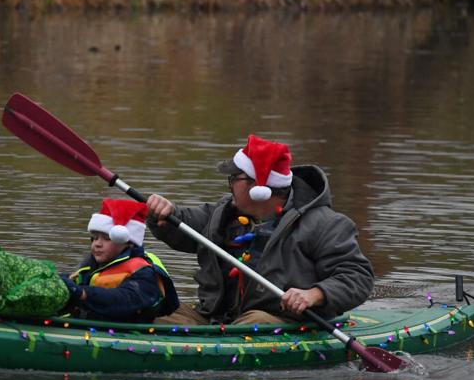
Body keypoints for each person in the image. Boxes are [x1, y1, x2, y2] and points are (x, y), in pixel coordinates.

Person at [145, 134, 373, 326]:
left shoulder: (327, 225)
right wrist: (164, 214)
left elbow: (358, 277)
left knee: (252, 323)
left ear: (259, 189)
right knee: (156, 319)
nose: (229, 184)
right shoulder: (223, 213)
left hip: (283, 321)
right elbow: (184, 223)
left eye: (234, 178)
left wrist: (314, 294)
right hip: (216, 317)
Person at [61, 198, 180, 323]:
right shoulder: (93, 264)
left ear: (128, 243)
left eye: (106, 239)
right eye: (95, 238)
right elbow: (74, 281)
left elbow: (124, 299)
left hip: (129, 330)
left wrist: (84, 293)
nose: (97, 244)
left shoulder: (144, 272)